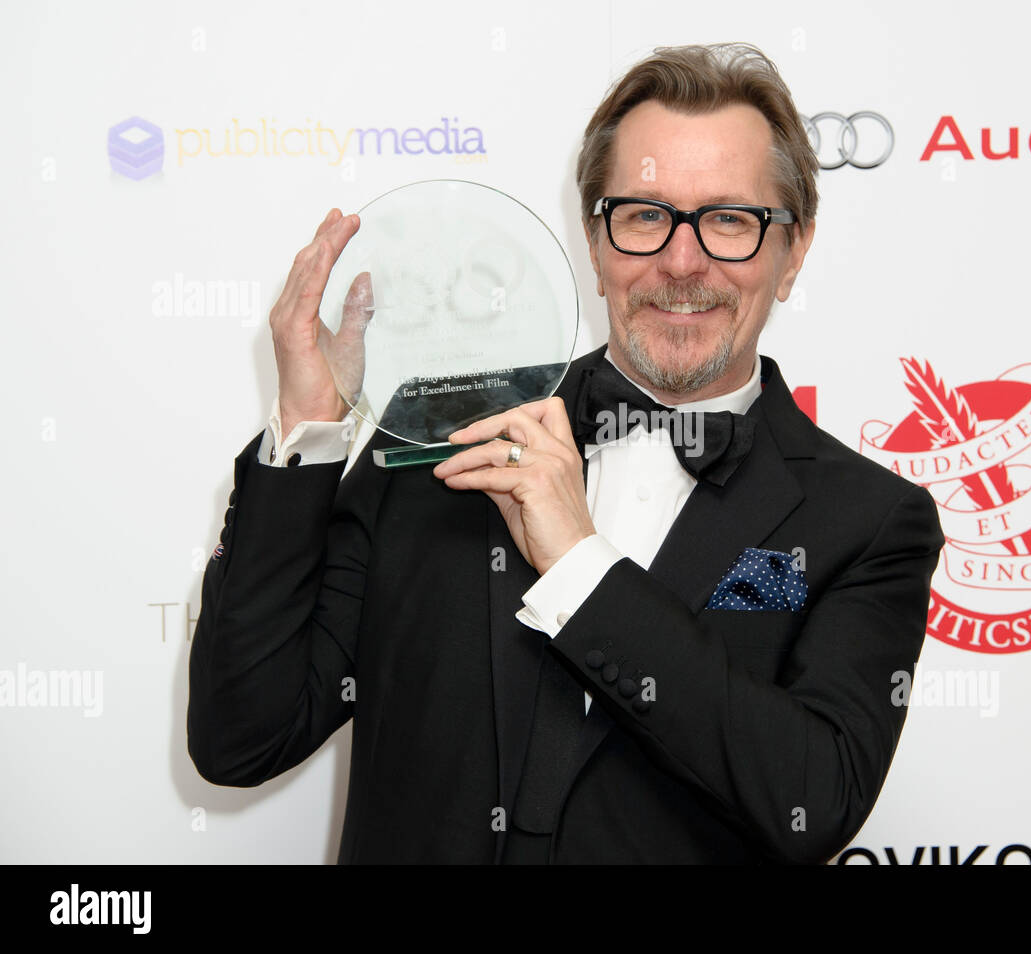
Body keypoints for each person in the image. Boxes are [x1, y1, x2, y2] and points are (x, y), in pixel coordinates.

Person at [188, 42, 944, 864]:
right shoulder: (441, 429)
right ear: (595, 239)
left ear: (792, 252)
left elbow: (813, 798)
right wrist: (306, 428)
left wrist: (579, 563)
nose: (680, 262)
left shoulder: (868, 521)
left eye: (729, 219)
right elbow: (240, 739)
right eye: (645, 215)